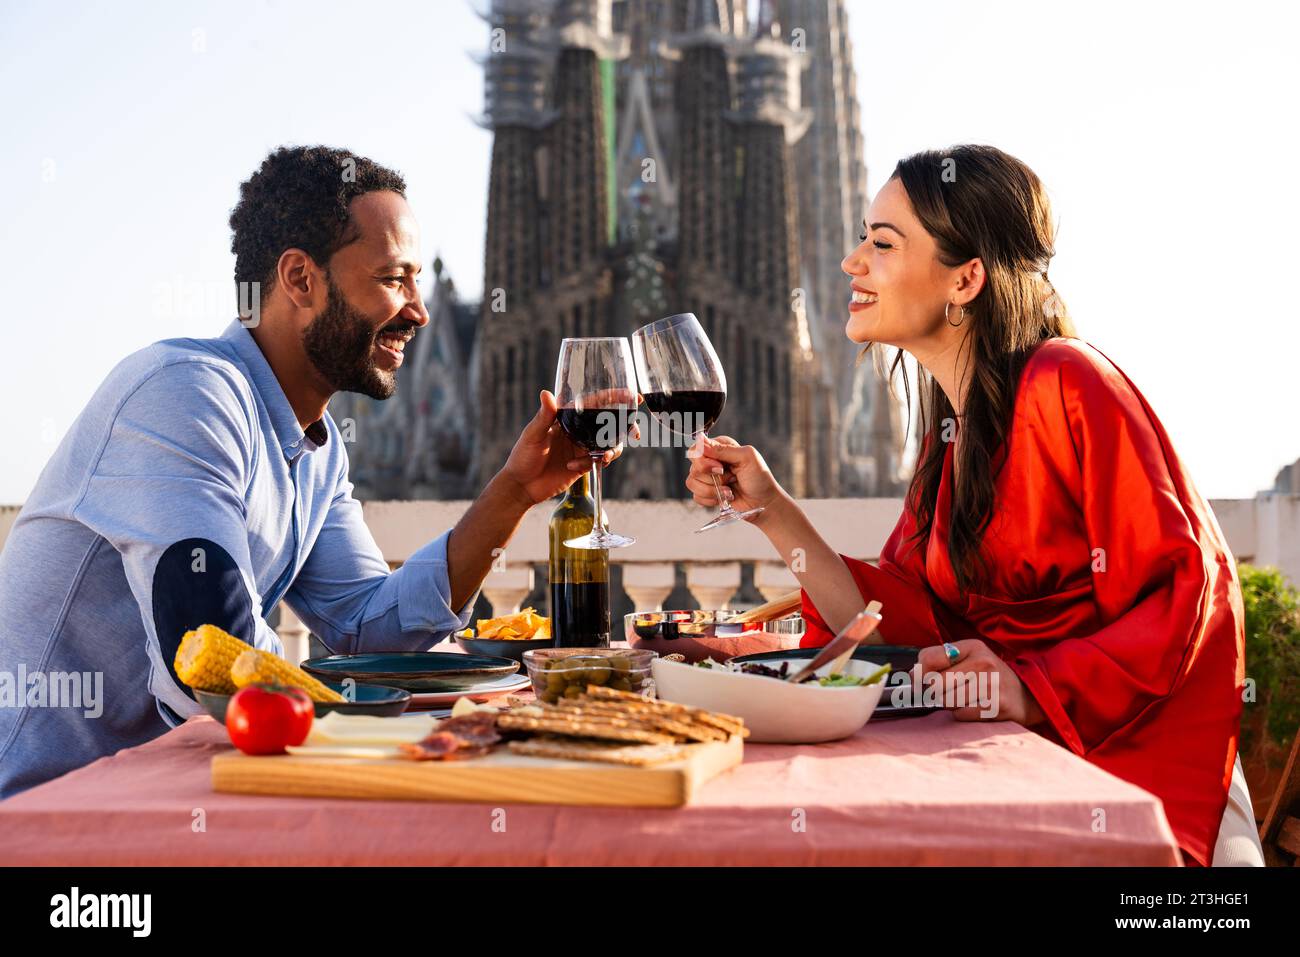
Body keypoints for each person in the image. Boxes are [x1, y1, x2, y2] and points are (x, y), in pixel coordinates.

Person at [685, 145, 1262, 867]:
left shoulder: (1068, 379)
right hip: (1025, 762)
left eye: (881, 242)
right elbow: (899, 619)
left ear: (966, 278)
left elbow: (1188, 589)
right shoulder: (951, 435)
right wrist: (767, 506)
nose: (851, 261)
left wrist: (1030, 684)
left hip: (1135, 774)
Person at [0, 145, 615, 797]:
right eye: (393, 279)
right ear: (300, 279)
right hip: (39, 810)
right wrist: (392, 736)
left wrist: (514, 491)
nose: (419, 310)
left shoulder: (316, 449)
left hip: (163, 791)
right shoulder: (184, 395)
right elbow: (210, 656)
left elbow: (368, 625)